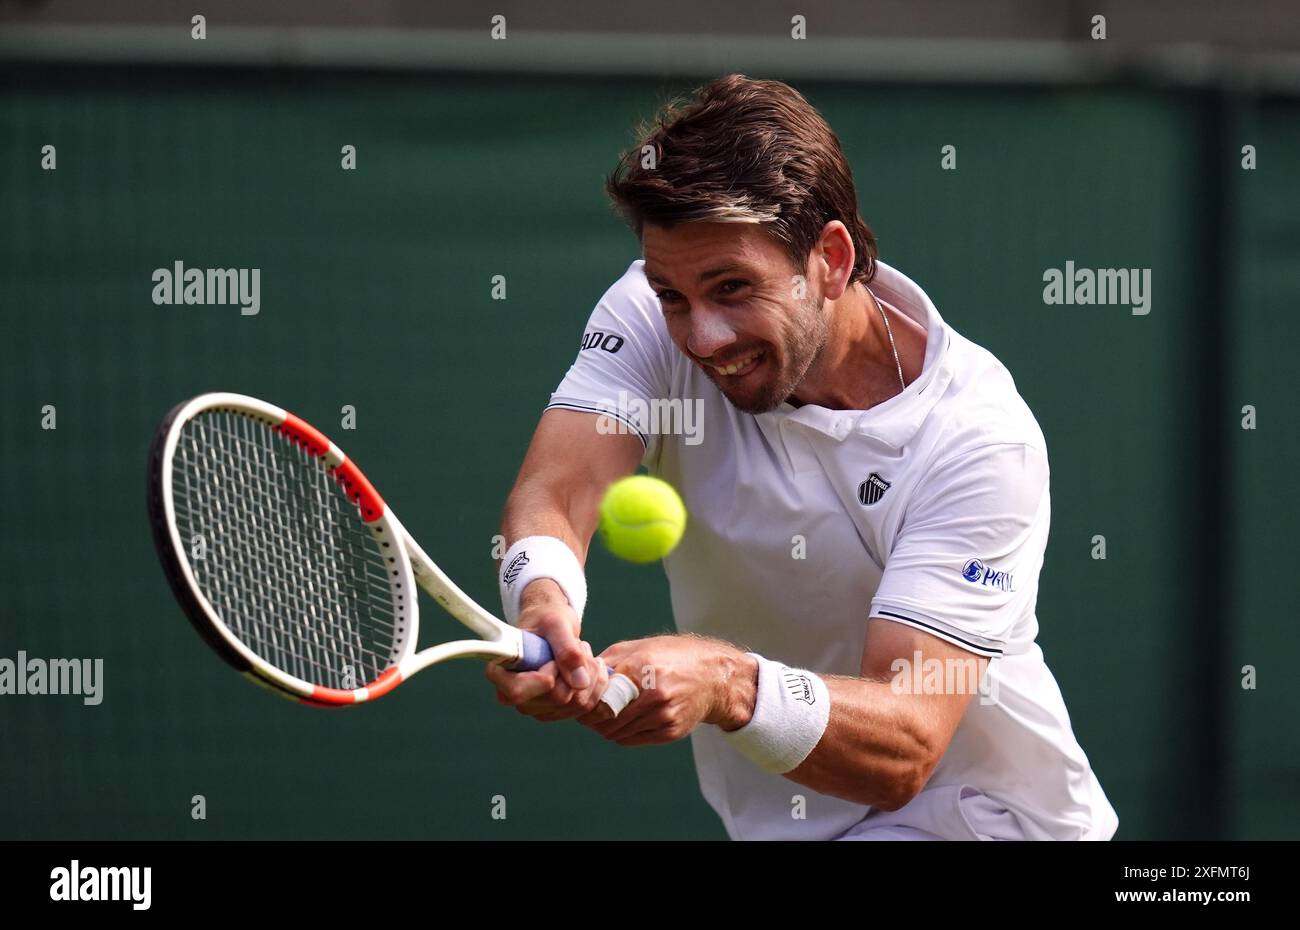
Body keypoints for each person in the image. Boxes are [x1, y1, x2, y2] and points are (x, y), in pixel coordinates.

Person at [486, 73, 1118, 841]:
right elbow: (560, 489)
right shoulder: (647, 314)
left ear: (831, 258)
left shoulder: (978, 441)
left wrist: (728, 683)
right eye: (673, 296)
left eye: (733, 288)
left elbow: (907, 743)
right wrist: (544, 602)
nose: (701, 336)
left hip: (981, 822)